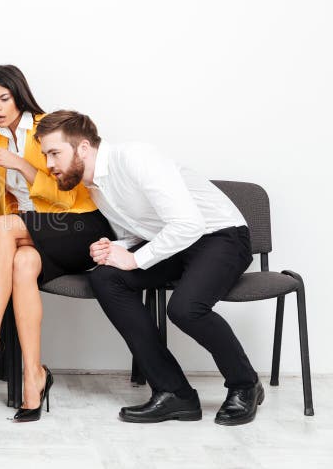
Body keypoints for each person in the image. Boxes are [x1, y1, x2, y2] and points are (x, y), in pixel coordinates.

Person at [35, 109, 262, 425]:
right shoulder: (96, 187)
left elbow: (188, 223)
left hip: (219, 235)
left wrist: (136, 259)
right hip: (172, 242)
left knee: (185, 309)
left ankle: (245, 383)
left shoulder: (136, 157)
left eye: (54, 153)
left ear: (83, 147)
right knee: (105, 278)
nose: (48, 164)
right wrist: (114, 248)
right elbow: (137, 233)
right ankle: (175, 394)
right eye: (46, 155)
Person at [0, 66, 113, 422]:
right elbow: (3, 200)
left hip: (77, 223)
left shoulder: (48, 128)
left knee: (4, 227)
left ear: (19, 95)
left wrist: (22, 165)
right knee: (22, 264)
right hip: (32, 232)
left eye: (3, 98)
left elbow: (70, 189)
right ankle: (34, 378)